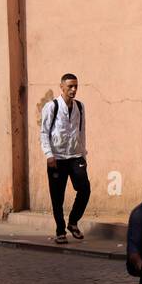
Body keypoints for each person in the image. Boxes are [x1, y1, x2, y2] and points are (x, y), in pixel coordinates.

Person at [40, 73, 90, 245]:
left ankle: (73, 222)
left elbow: (81, 132)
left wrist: (83, 154)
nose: (73, 89)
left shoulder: (80, 107)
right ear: (61, 87)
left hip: (75, 156)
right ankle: (60, 231)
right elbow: (44, 132)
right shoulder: (51, 107)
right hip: (57, 158)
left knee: (84, 189)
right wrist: (49, 155)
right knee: (57, 196)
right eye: (70, 86)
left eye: (76, 86)